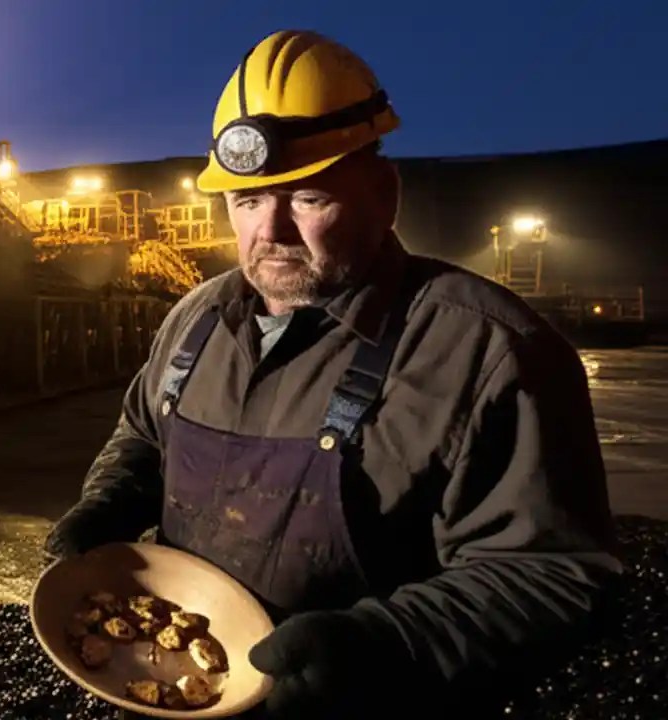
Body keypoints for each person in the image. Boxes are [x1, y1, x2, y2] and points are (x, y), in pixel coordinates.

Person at [44, 29, 621, 720]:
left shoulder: (489, 351)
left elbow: (552, 574)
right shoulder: (195, 319)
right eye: (248, 202)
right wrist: (107, 503)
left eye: (309, 197)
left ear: (384, 193)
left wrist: (384, 644)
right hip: (179, 681)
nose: (272, 230)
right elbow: (143, 434)